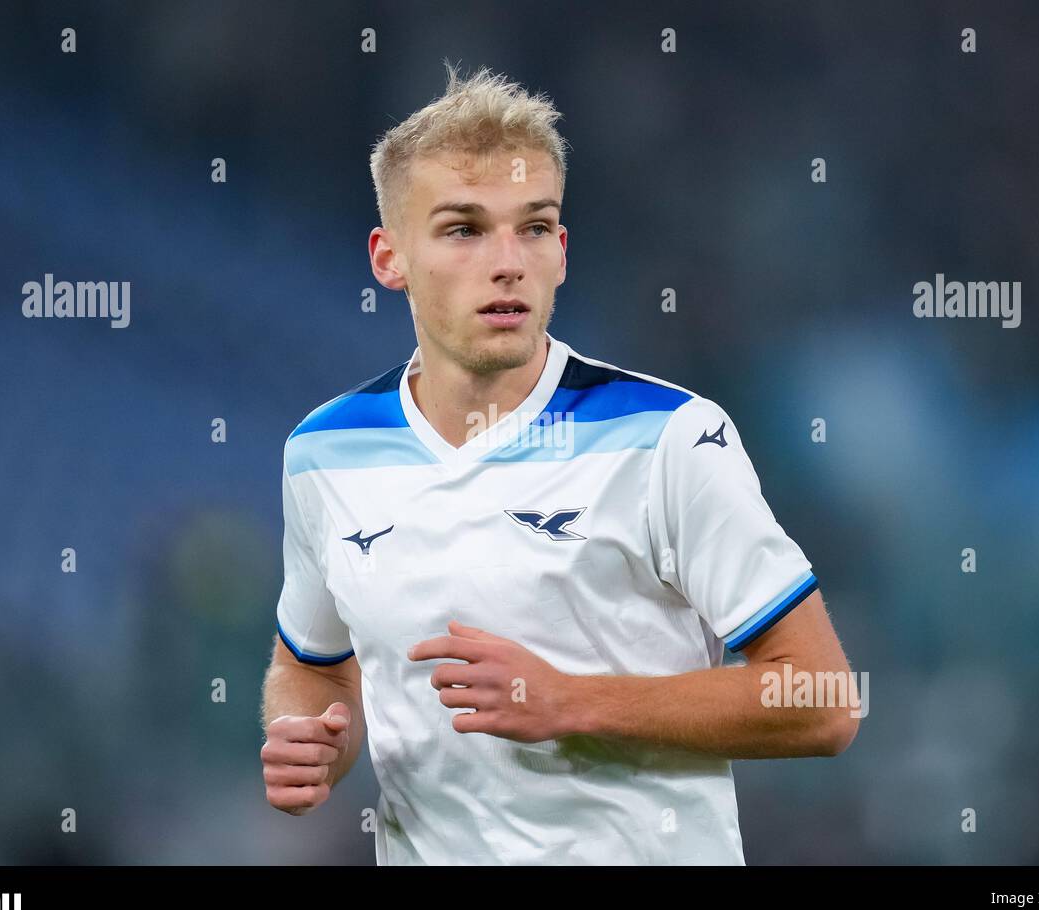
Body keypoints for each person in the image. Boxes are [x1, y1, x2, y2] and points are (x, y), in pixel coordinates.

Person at [259, 62, 856, 864]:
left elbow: (822, 702)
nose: (507, 262)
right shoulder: (324, 454)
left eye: (533, 227)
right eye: (464, 229)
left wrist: (574, 702)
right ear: (389, 257)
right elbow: (312, 665)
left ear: (562, 251)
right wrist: (308, 739)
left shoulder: (668, 437)